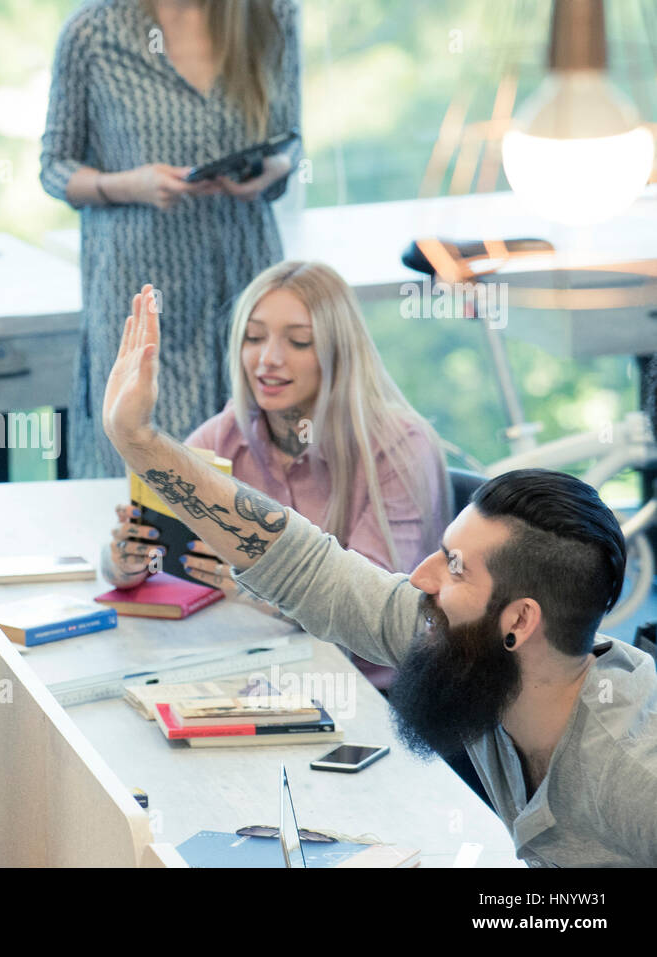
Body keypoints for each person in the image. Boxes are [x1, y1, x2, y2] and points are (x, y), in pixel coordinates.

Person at [101, 285, 657, 867]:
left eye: (456, 568)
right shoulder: (479, 656)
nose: (420, 577)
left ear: (519, 620)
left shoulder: (632, 774)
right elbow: (308, 566)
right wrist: (138, 441)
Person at [103, 261, 450, 690]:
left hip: (374, 694)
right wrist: (129, 561)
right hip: (255, 672)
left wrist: (256, 587)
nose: (268, 359)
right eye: (253, 337)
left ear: (339, 351)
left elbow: (370, 616)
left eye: (299, 341)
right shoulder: (222, 435)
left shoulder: (401, 447)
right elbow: (162, 550)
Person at [40, 0, 301, 478]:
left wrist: (266, 171)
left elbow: (290, 144)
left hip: (247, 288)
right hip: (140, 296)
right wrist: (129, 185)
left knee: (259, 473)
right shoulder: (93, 32)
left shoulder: (270, 14)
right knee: (151, 482)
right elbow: (55, 168)